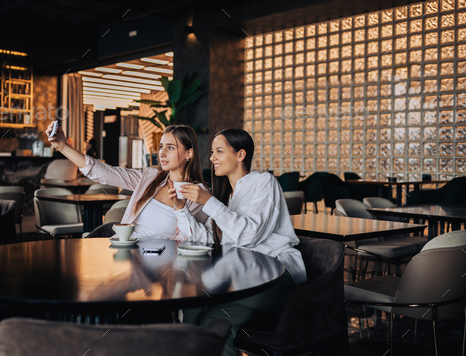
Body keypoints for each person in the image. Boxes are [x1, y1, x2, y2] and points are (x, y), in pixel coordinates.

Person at [169, 128, 307, 356]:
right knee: (202, 316)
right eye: (212, 151)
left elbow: (250, 235)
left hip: (278, 276)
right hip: (241, 278)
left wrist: (209, 201)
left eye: (219, 151)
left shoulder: (264, 182)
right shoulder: (226, 196)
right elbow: (206, 239)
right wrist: (181, 209)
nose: (212, 157)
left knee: (202, 308)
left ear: (241, 155)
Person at [46, 122, 209, 240]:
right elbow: (105, 173)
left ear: (189, 154)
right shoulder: (151, 177)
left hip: (154, 263)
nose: (162, 153)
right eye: (161, 146)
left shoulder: (198, 193)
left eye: (170, 147)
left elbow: (194, 239)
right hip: (123, 246)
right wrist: (62, 146)